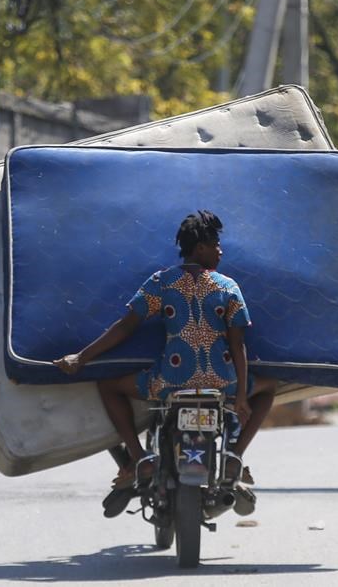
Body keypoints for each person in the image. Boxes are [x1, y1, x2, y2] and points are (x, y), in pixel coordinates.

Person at [54, 211, 277, 512]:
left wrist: (81, 357)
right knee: (268, 388)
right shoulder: (227, 287)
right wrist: (239, 398)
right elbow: (238, 346)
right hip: (222, 382)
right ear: (200, 248)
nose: (220, 250)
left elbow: (125, 326)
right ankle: (234, 458)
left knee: (108, 385)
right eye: (215, 244)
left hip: (171, 381)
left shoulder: (162, 283)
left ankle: (138, 460)